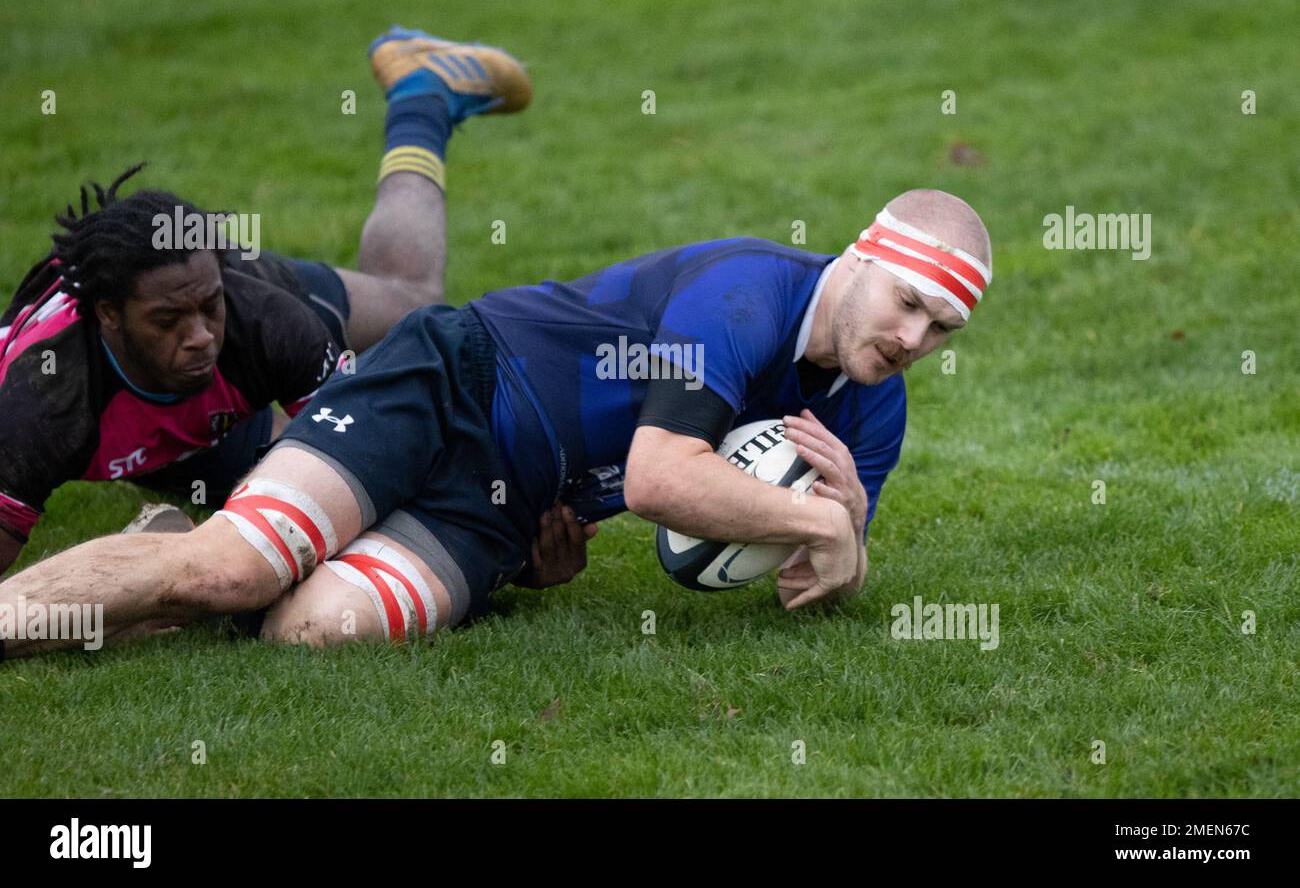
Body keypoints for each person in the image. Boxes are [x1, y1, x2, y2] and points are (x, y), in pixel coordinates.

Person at [0, 46, 992, 659]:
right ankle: (192, 556)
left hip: (506, 506)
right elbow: (659, 478)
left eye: (942, 327)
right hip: (454, 382)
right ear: (861, 255)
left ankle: (169, 544)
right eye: (908, 302)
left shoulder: (873, 406)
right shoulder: (748, 291)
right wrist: (818, 522)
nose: (914, 339)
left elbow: (793, 575)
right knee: (233, 574)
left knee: (311, 631)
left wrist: (843, 542)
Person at [0, 26, 532, 574]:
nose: (202, 334)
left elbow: (366, 458)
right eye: (169, 320)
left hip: (226, 370)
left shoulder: (266, 321)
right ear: (109, 316)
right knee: (272, 495)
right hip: (148, 423)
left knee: (411, 299)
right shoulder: (43, 399)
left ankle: (423, 95)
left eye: (210, 306)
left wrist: (511, 527)